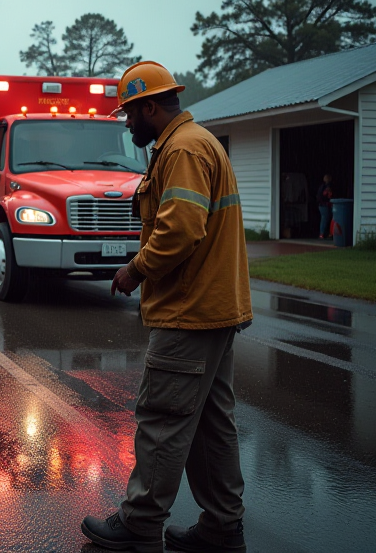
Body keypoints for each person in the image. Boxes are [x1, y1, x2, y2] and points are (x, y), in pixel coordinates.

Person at [81, 62, 252, 553]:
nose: (127, 122)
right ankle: (222, 528)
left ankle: (139, 523)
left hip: (189, 311)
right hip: (211, 308)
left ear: (150, 107)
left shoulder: (182, 150)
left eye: (130, 113)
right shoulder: (194, 143)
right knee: (210, 426)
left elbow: (180, 230)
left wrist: (135, 270)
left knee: (163, 419)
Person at [317, 174, 334, 239]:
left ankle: (327, 233)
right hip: (324, 205)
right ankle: (322, 233)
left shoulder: (323, 186)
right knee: (325, 218)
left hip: (326, 204)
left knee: (328, 219)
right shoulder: (324, 187)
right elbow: (323, 196)